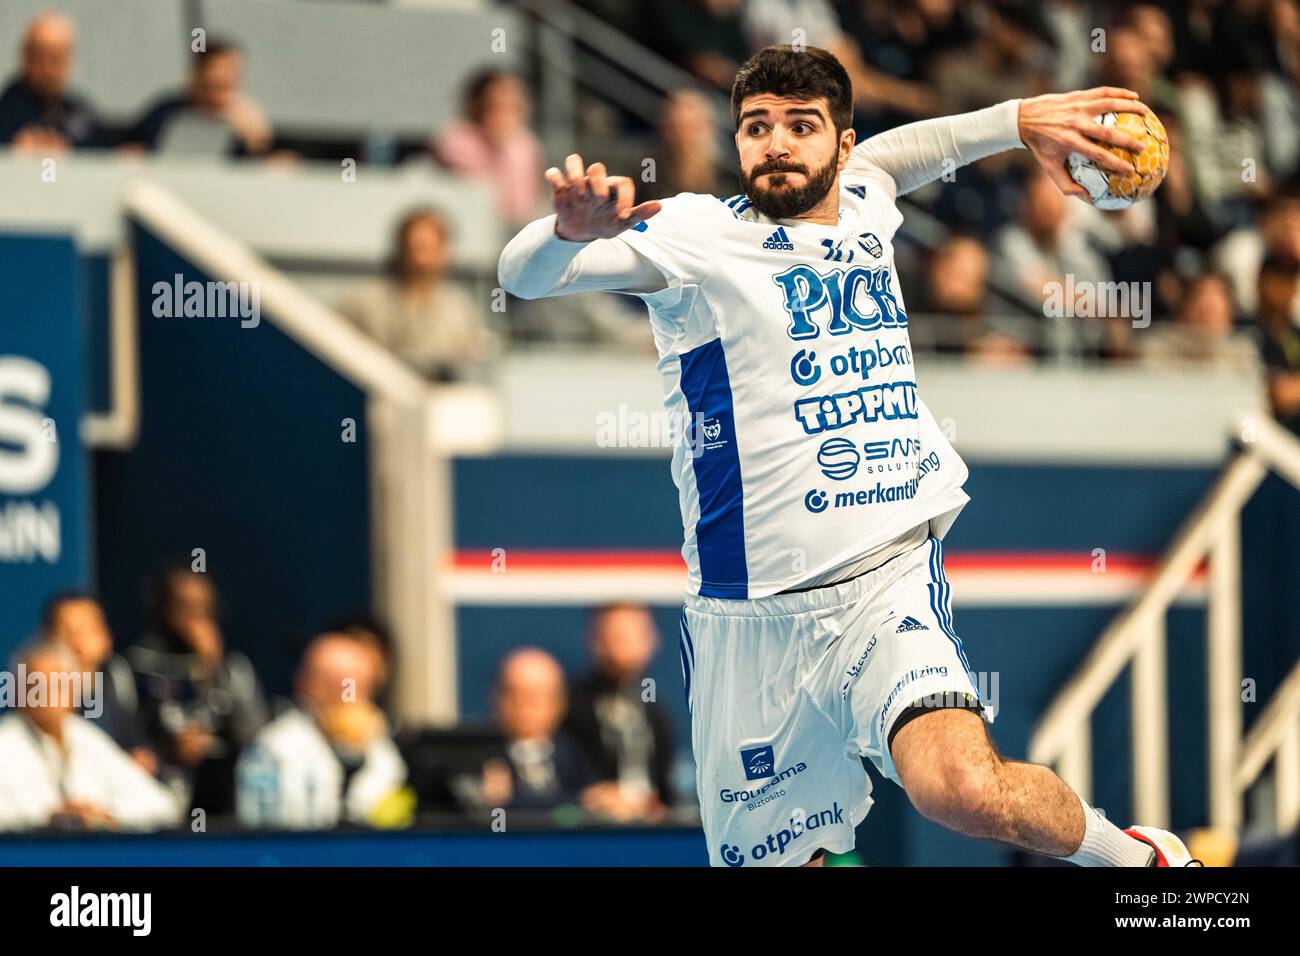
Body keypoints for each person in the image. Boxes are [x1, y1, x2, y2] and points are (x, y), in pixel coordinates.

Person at [498, 44, 1197, 867]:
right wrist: (563, 232)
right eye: (757, 127)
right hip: (745, 620)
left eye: (803, 126)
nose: (778, 144)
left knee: (962, 789)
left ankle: (1145, 862)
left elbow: (914, 150)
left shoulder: (865, 196)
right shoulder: (695, 234)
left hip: (884, 582)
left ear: (842, 142)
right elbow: (525, 275)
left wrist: (1019, 120)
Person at [128, 565, 268, 816]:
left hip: (227, 803)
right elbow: (124, 743)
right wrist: (168, 752)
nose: (195, 619)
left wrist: (214, 666)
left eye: (204, 608)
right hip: (158, 802)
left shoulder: (233, 668)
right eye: (184, 607)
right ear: (161, 608)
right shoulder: (134, 666)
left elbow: (257, 738)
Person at [0, 641, 180, 832]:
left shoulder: (84, 736)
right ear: (18, 691)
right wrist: (49, 820)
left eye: (58, 684)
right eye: (37, 685)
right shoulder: (5, 743)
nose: (47, 695)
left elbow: (163, 806)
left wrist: (105, 815)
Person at [236, 632, 407, 829]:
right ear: (306, 686)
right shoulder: (275, 748)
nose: (352, 699)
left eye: (363, 686)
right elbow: (276, 838)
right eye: (337, 686)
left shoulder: (381, 748)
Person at [337, 208, 494, 381]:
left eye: (432, 249)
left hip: (437, 399)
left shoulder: (459, 309)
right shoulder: (364, 302)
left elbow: (471, 359)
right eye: (417, 248)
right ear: (401, 249)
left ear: (445, 252)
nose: (422, 260)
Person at [563, 603, 676, 820]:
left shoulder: (656, 712)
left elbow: (667, 789)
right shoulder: (571, 707)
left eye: (632, 634)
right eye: (611, 634)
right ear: (593, 639)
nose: (619, 644)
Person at [41, 591, 155, 773]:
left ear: (106, 639)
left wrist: (141, 759)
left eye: (86, 631)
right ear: (46, 639)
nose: (77, 644)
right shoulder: (38, 701)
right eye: (67, 632)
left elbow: (140, 751)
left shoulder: (114, 691)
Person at [478, 648, 593, 812]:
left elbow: (590, 799)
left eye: (534, 697)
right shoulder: (480, 758)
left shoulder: (576, 753)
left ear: (559, 703)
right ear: (495, 698)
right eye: (513, 694)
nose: (523, 705)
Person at [432, 70, 544, 228]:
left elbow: (528, 202)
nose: (506, 109)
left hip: (518, 229)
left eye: (513, 103)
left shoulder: (526, 144)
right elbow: (473, 196)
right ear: (480, 104)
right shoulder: (457, 139)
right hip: (467, 230)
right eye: (498, 104)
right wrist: (496, 143)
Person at [128, 39, 272, 156]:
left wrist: (257, 143)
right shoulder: (166, 113)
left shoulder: (246, 119)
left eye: (231, 74)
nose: (224, 77)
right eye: (215, 84)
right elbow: (135, 147)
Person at [0, 13, 102, 151]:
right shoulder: (6, 112)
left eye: (56, 58)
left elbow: (102, 151)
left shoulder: (79, 114)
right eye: (40, 57)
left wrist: (70, 151)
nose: (48, 69)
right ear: (25, 56)